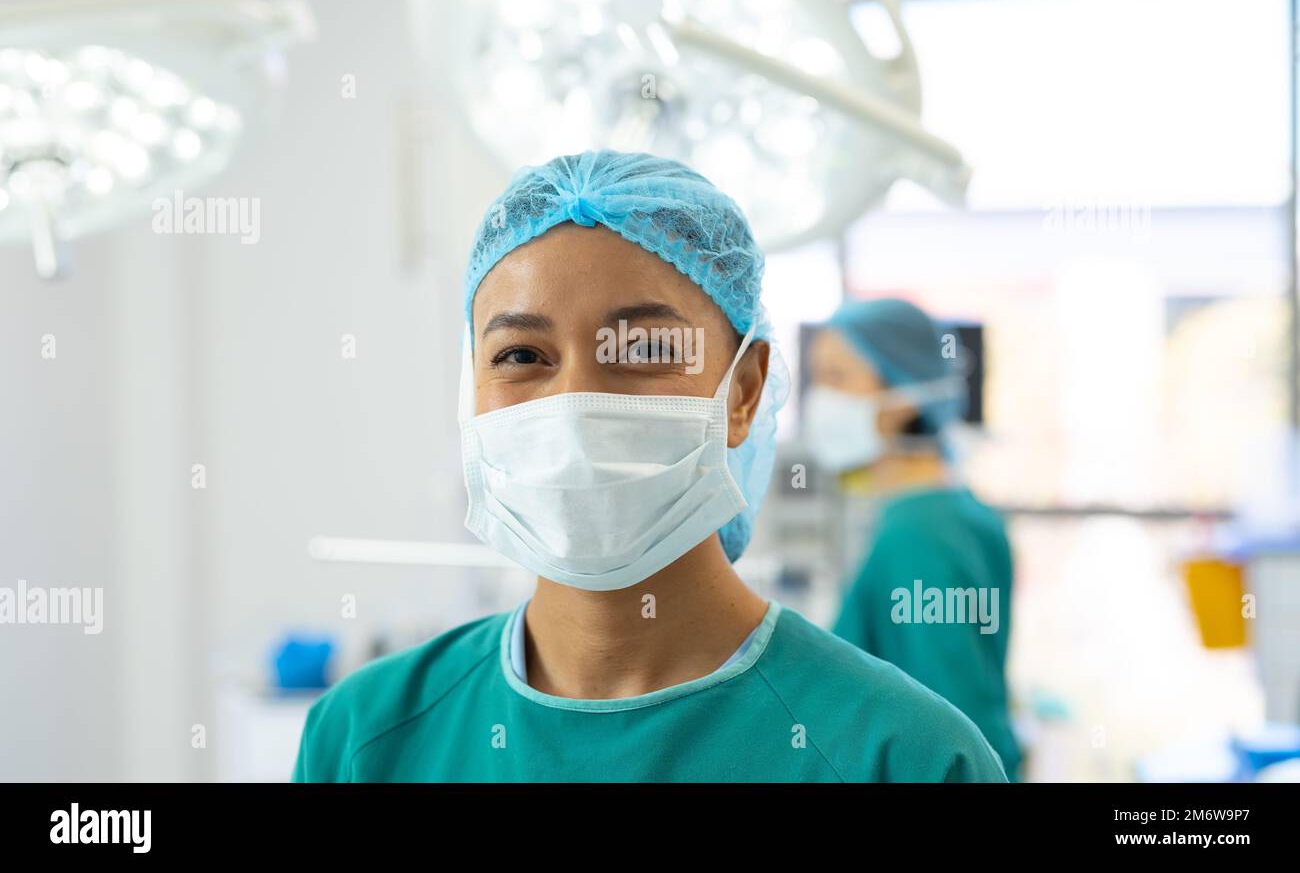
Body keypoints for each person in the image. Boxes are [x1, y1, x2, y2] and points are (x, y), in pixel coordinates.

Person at [292, 152, 1006, 782]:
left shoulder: (906, 758)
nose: (574, 404)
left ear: (745, 391)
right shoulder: (363, 739)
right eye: (520, 356)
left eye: (644, 350)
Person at [805, 298, 1021, 781]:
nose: (820, 399)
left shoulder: (922, 534)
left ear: (904, 395)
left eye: (838, 378)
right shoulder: (948, 511)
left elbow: (958, 726)